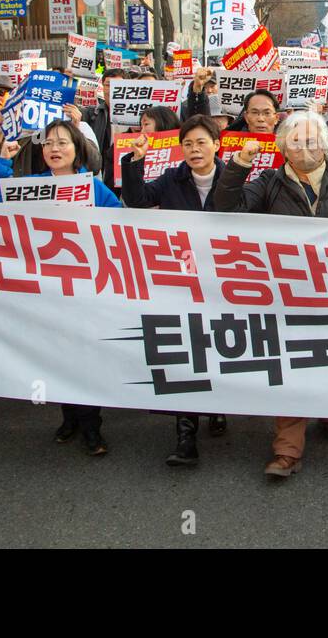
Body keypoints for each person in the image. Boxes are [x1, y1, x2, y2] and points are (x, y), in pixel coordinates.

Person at [215, 110, 328, 479]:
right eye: (298, 140)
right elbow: (226, 210)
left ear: (327, 142)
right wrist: (239, 165)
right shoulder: (268, 183)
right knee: (292, 362)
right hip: (284, 293)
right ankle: (288, 449)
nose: (308, 147)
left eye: (314, 139)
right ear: (282, 146)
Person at [0, 120, 119, 456]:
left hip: (86, 288)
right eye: (48, 144)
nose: (54, 149)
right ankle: (69, 416)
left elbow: (120, 225)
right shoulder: (31, 185)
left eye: (62, 143)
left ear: (78, 149)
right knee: (57, 357)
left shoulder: (94, 189)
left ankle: (91, 425)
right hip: (46, 290)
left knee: (84, 357)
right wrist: (2, 161)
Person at [121, 115, 230, 464]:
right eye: (188, 144)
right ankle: (186, 436)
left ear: (217, 145)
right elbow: (137, 201)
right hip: (182, 277)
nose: (194, 150)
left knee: (219, 344)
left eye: (201, 142)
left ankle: (221, 405)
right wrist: (135, 162)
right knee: (188, 349)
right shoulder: (172, 178)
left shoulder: (235, 178)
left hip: (226, 277)